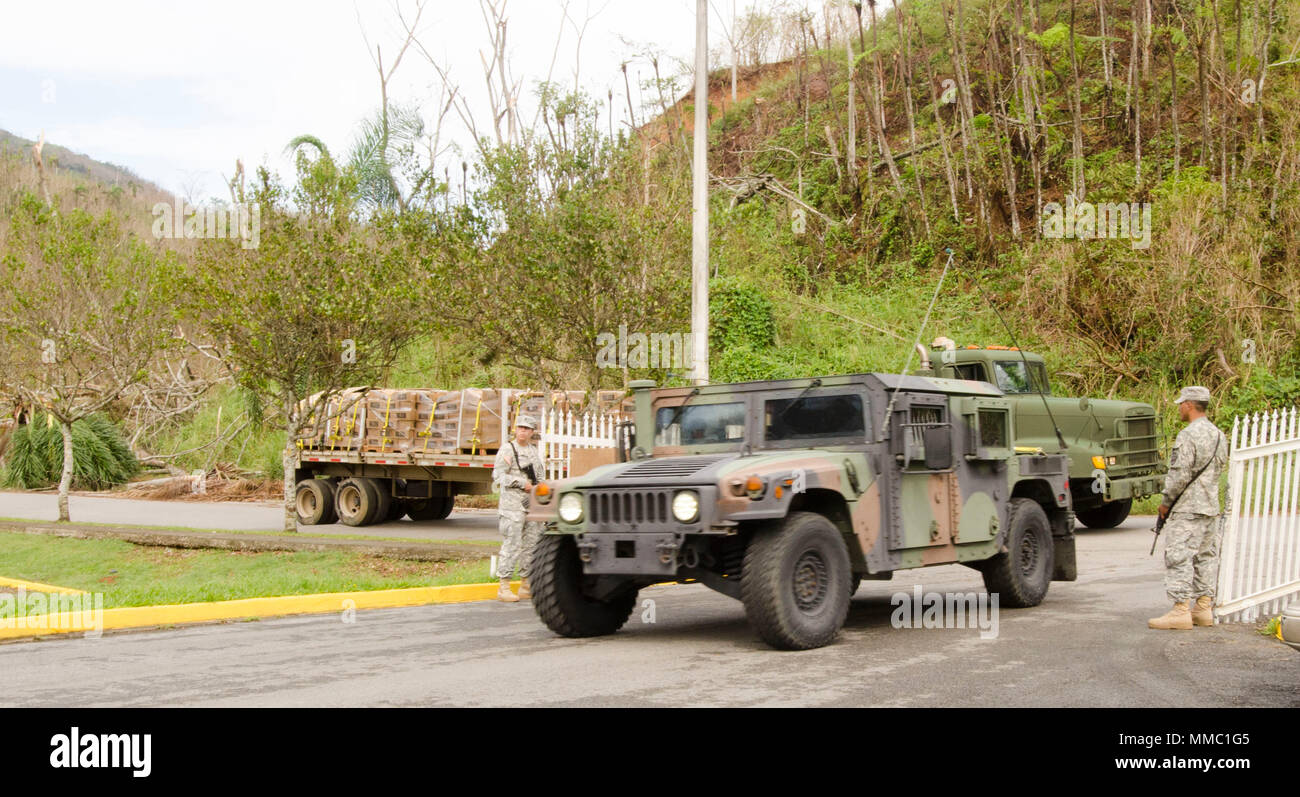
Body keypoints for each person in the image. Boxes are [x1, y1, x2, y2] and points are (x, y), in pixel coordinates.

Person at [1149, 386, 1229, 630]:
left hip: (1187, 508)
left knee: (1178, 556)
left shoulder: (1187, 435)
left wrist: (1165, 504)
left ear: (1190, 405)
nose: (1179, 408)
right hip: (1210, 506)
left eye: (1181, 404)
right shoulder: (1218, 435)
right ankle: (1203, 608)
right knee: (1206, 557)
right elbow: (1220, 467)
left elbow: (1179, 475)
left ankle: (1180, 610)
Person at [492, 415, 546, 602]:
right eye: (520, 428)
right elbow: (498, 476)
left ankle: (526, 584)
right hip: (512, 506)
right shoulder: (508, 449)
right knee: (512, 545)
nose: (522, 431)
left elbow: (539, 477)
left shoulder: (532, 451)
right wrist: (522, 482)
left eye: (526, 428)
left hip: (530, 505)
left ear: (532, 432)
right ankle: (504, 586)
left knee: (531, 545)